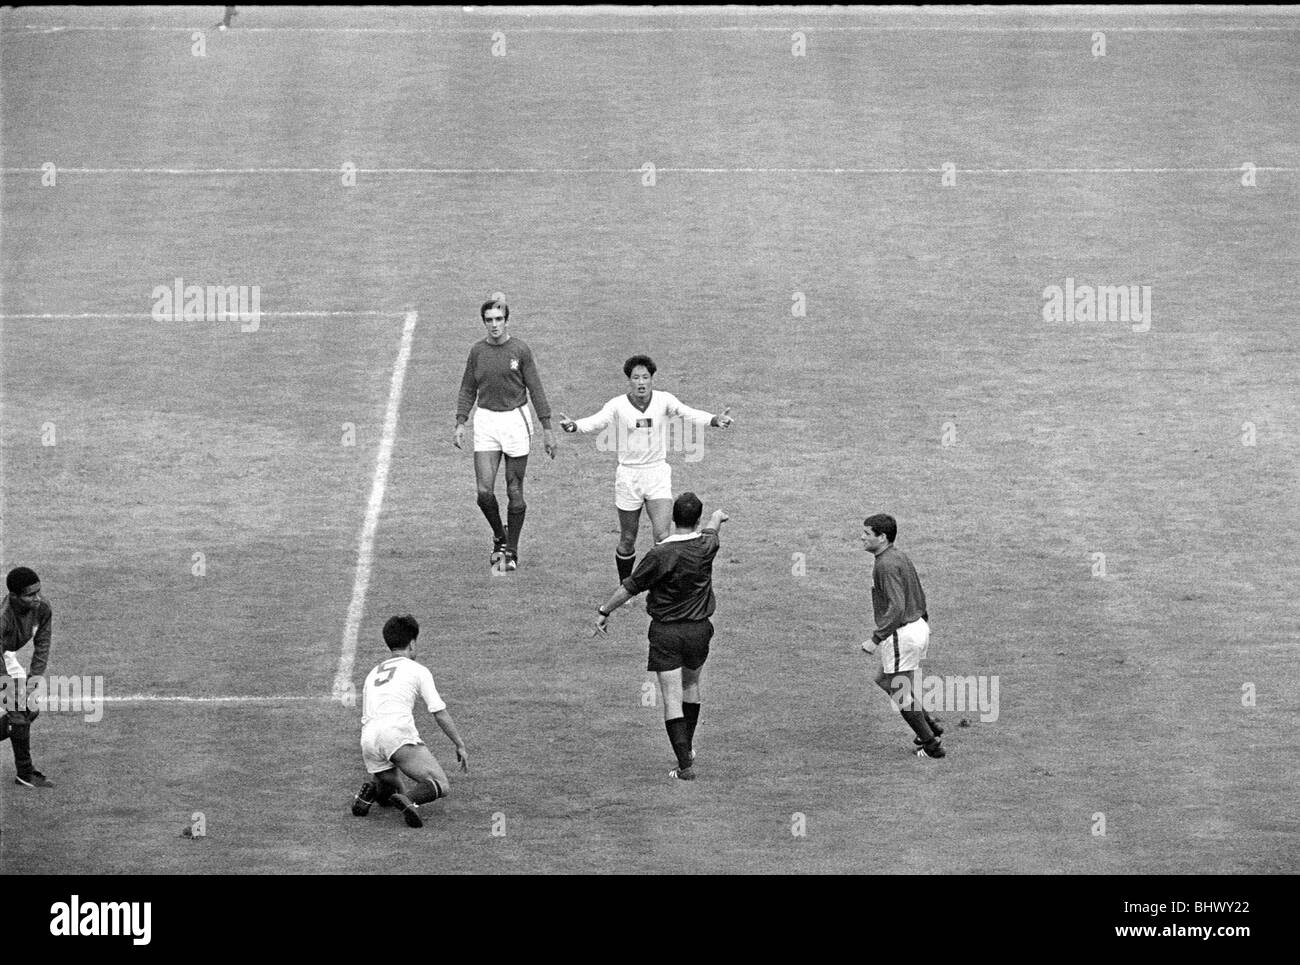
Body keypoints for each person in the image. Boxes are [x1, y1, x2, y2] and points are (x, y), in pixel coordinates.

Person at [559, 355, 733, 581]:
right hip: (629, 477)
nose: (641, 382)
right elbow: (597, 421)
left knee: (662, 535)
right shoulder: (617, 405)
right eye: (635, 378)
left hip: (657, 474)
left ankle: (662, 586)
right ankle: (625, 585)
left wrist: (714, 420)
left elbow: (687, 412)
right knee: (628, 539)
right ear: (629, 381)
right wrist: (574, 426)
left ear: (652, 379)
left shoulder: (664, 400)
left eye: (645, 377)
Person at [593, 492, 726, 781]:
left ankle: (685, 766)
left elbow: (630, 587)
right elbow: (712, 529)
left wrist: (604, 611)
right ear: (698, 520)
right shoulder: (707, 545)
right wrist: (717, 517)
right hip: (699, 630)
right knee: (692, 686)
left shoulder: (660, 554)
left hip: (666, 633)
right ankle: (687, 751)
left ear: (673, 519)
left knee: (671, 698)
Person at [453, 294, 557, 572]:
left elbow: (535, 389)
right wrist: (461, 422)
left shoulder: (520, 351)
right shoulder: (477, 352)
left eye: (499, 319)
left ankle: (511, 550)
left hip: (515, 422)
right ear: (484, 323)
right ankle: (500, 535)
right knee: (483, 492)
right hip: (486, 421)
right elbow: (467, 388)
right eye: (489, 320)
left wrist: (547, 429)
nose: (494, 325)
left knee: (514, 490)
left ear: (507, 321)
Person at [351, 615, 468, 828]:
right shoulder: (417, 670)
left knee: (390, 794)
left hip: (368, 739)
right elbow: (439, 712)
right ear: (412, 643)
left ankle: (371, 794)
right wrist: (459, 744)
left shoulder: (372, 674)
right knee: (440, 784)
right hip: (396, 734)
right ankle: (410, 800)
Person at [859, 514, 945, 759]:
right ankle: (930, 727)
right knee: (884, 680)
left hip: (902, 632)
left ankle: (931, 745)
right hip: (917, 625)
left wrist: (875, 639)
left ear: (882, 537)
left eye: (867, 533)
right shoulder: (898, 556)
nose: (862, 537)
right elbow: (917, 590)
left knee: (897, 689)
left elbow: (896, 606)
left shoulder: (885, 565)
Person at [0, 566, 55, 788]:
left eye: (38, 592)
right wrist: (9, 692)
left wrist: (34, 681)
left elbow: (42, 644)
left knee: (29, 708)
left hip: (6, 655)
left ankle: (24, 772)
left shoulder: (42, 608)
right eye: (30, 595)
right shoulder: (3, 618)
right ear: (14, 596)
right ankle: (25, 773)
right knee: (17, 712)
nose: (37, 598)